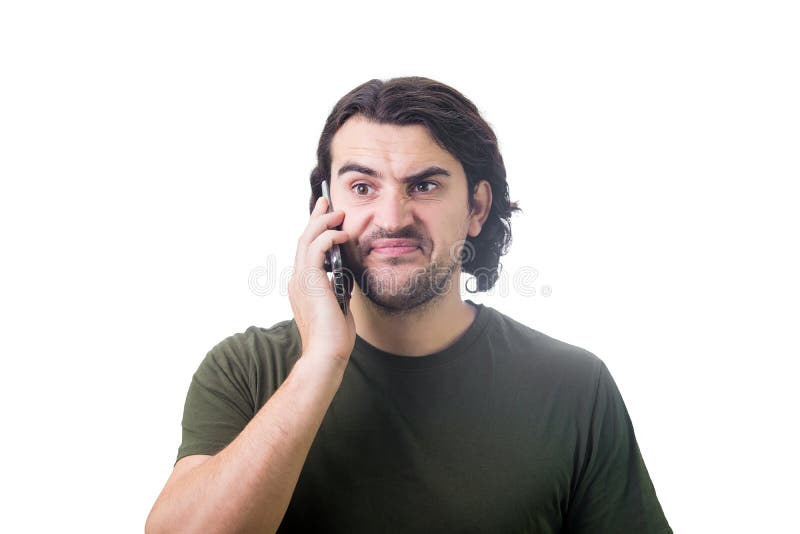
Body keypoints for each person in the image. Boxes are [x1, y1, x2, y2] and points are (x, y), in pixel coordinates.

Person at [146, 77, 672, 533]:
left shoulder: (574, 388)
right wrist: (322, 363)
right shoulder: (245, 370)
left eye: (423, 185)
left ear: (477, 208)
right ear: (324, 210)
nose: (392, 217)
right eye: (361, 187)